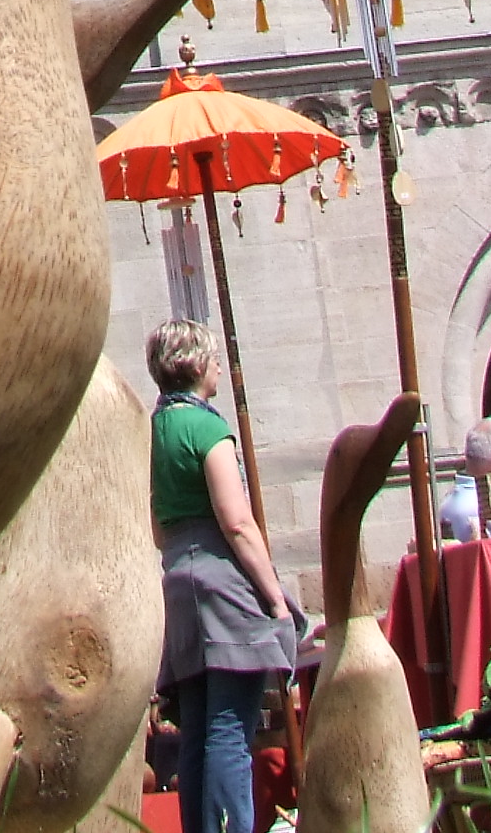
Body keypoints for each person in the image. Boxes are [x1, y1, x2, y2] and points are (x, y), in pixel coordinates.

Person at [150, 319, 301, 833]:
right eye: (214, 359)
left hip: (178, 575)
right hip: (220, 579)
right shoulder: (207, 428)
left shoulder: (155, 429)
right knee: (230, 729)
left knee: (196, 727)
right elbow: (237, 522)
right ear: (196, 365)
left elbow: (156, 523)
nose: (219, 367)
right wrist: (276, 598)